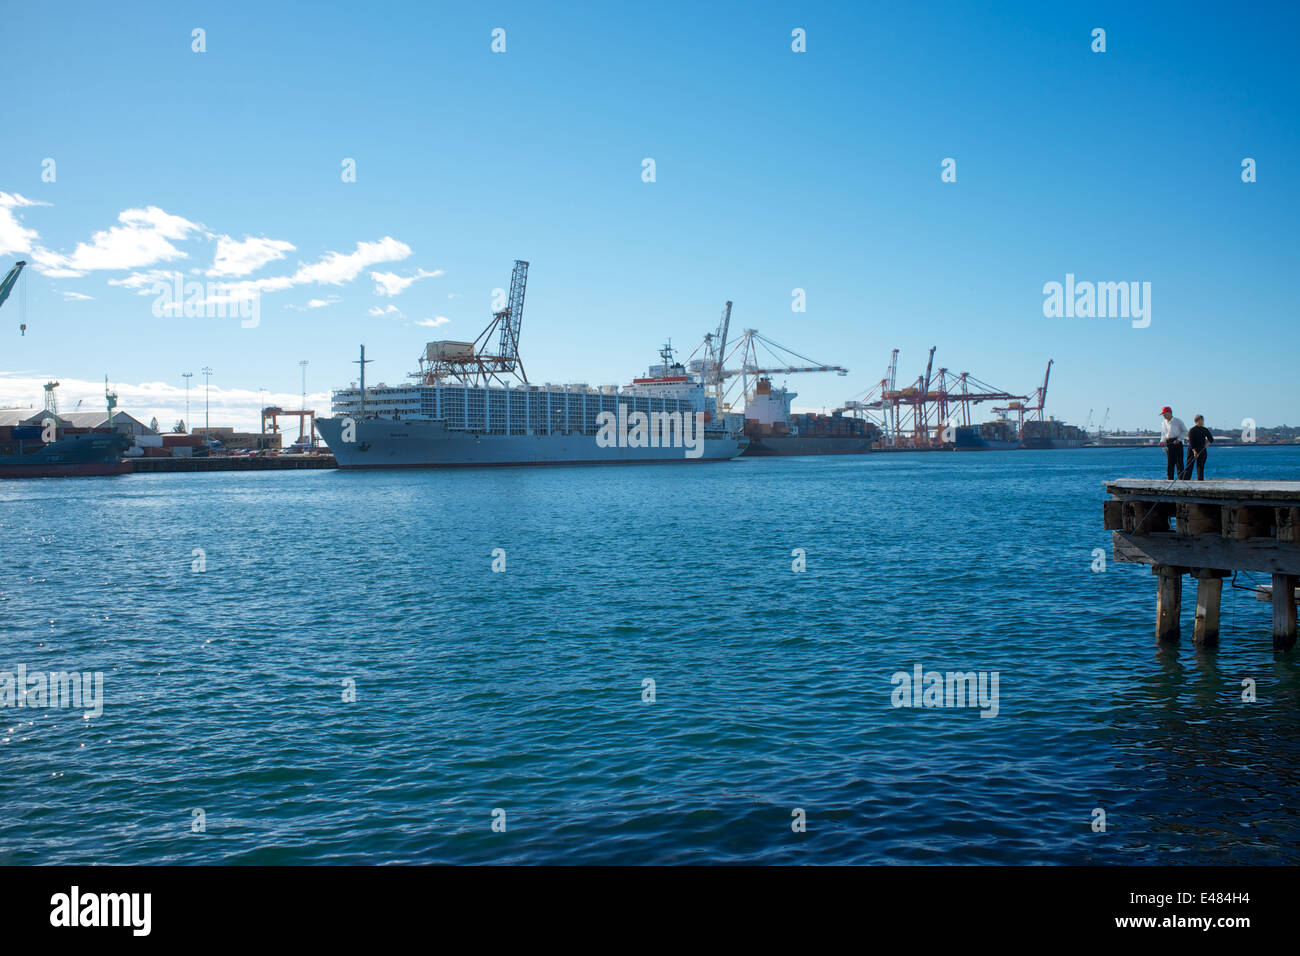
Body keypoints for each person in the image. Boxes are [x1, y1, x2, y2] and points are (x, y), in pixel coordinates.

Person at [1159, 406, 1187, 480]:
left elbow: (1185, 432)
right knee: (1170, 463)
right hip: (1169, 443)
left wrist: (1179, 439)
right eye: (1163, 414)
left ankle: (1181, 479)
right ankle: (1169, 479)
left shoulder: (1178, 421)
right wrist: (1162, 441)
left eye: (1164, 414)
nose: (1163, 416)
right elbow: (1163, 435)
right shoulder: (1163, 423)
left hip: (1177, 442)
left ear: (1169, 413)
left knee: (1179, 462)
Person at [1184, 415, 1214, 480]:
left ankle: (1200, 481)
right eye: (1201, 420)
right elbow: (1191, 442)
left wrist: (1207, 444)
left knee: (1200, 467)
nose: (1202, 421)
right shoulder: (1192, 430)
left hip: (1202, 449)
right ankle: (1185, 480)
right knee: (1189, 466)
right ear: (1196, 421)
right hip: (1192, 450)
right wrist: (1194, 452)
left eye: (1202, 420)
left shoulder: (1205, 429)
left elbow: (1211, 439)